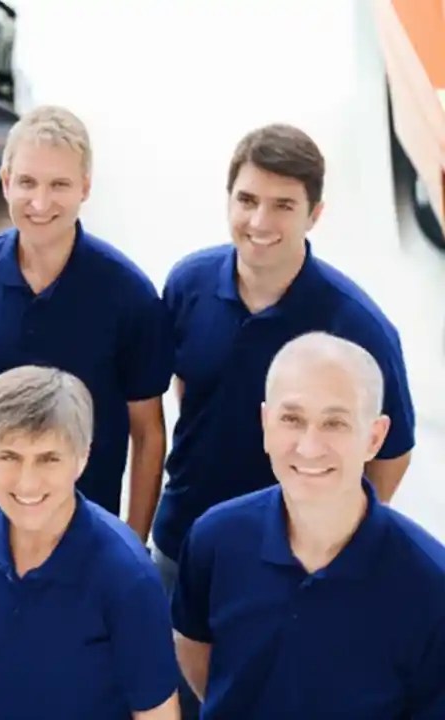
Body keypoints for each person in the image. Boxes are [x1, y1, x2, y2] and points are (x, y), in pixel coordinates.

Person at [152, 123, 415, 585]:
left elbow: (391, 452)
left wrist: (336, 533)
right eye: (247, 200)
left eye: (283, 206)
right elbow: (186, 388)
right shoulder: (188, 284)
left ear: (314, 214)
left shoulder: (357, 327)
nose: (259, 222)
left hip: (290, 563)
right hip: (183, 539)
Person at [0, 105, 172, 543]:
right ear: (5, 182)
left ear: (85, 188)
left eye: (59, 185)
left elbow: (148, 432)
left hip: (87, 534)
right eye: (27, 183)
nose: (40, 203)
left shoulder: (128, 294)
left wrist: (132, 537)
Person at [171, 332, 445, 718]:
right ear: (266, 424)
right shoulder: (214, 540)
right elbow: (196, 651)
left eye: (335, 423)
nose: (309, 446)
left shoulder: (431, 585)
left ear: (375, 437)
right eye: (292, 419)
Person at [0, 366, 180, 720]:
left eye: (48, 459)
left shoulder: (127, 576)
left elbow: (157, 713)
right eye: (9, 456)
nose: (27, 483)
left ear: (82, 457)